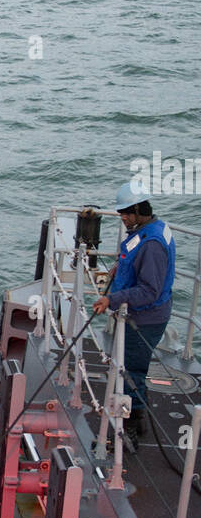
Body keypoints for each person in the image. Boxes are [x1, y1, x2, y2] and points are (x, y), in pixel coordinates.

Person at [93, 180, 175, 443]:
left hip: (145, 319)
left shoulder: (152, 245)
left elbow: (149, 291)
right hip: (141, 314)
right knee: (130, 368)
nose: (123, 218)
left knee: (131, 370)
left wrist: (112, 299)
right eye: (121, 214)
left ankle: (131, 429)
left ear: (140, 210)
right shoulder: (151, 229)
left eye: (127, 213)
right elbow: (132, 255)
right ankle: (133, 416)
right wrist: (120, 266)